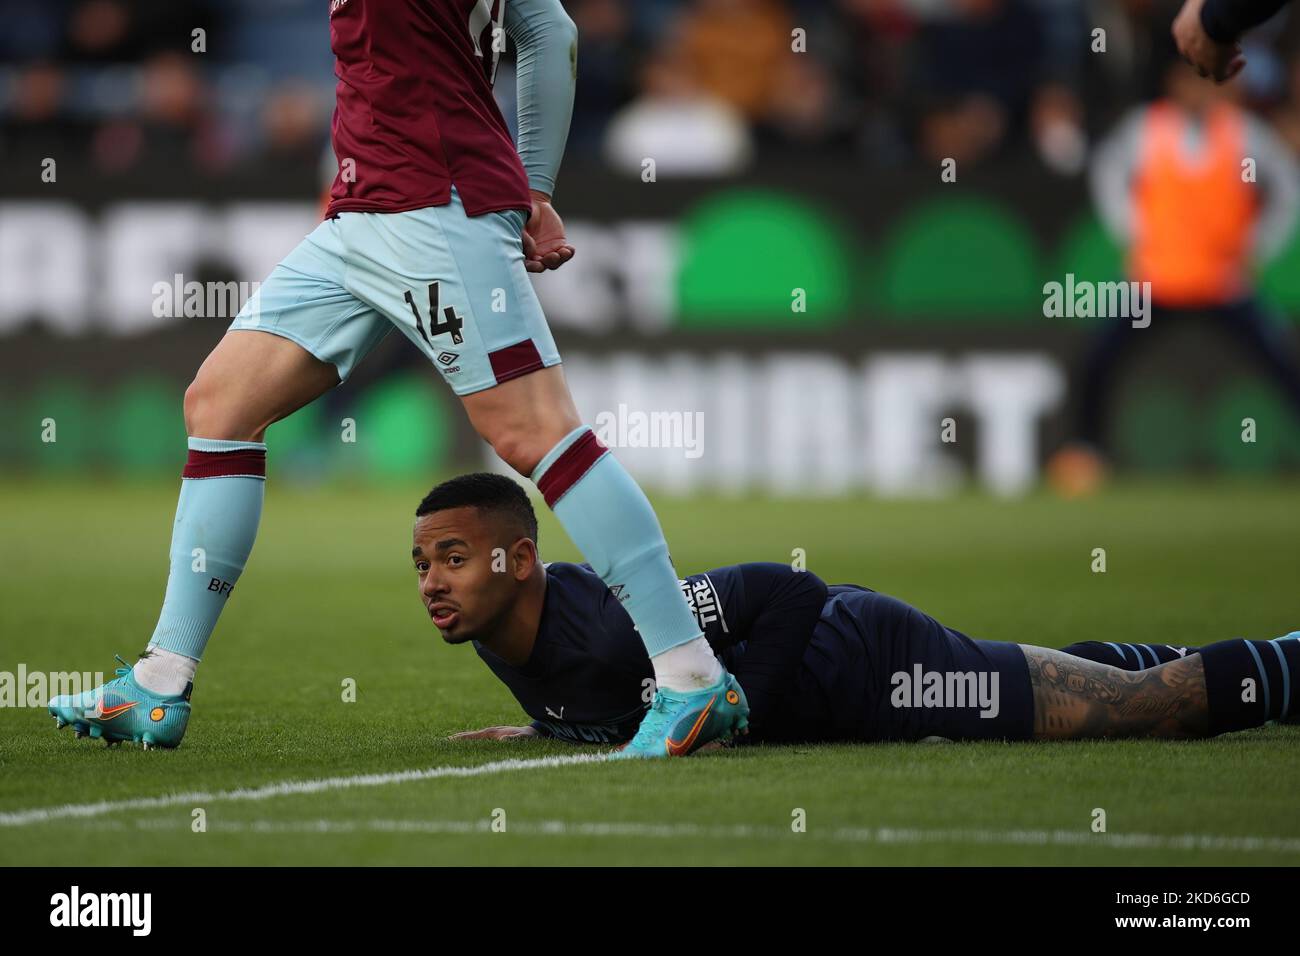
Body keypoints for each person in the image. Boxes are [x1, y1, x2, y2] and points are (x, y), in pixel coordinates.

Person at [47, 0, 746, 757]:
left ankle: (690, 675)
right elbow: (547, 26)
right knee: (220, 405)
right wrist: (534, 189)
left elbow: (550, 33)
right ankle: (160, 680)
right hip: (360, 207)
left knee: (536, 432)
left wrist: (532, 189)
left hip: (435, 202)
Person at [410, 474, 1298, 750]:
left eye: (451, 559)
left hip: (873, 670)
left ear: (520, 560)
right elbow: (608, 698)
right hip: (850, 677)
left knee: (1130, 712)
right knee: (1069, 670)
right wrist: (540, 731)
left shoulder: (615, 618)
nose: (433, 584)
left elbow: (792, 590)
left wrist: (736, 707)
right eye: (420, 565)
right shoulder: (493, 629)